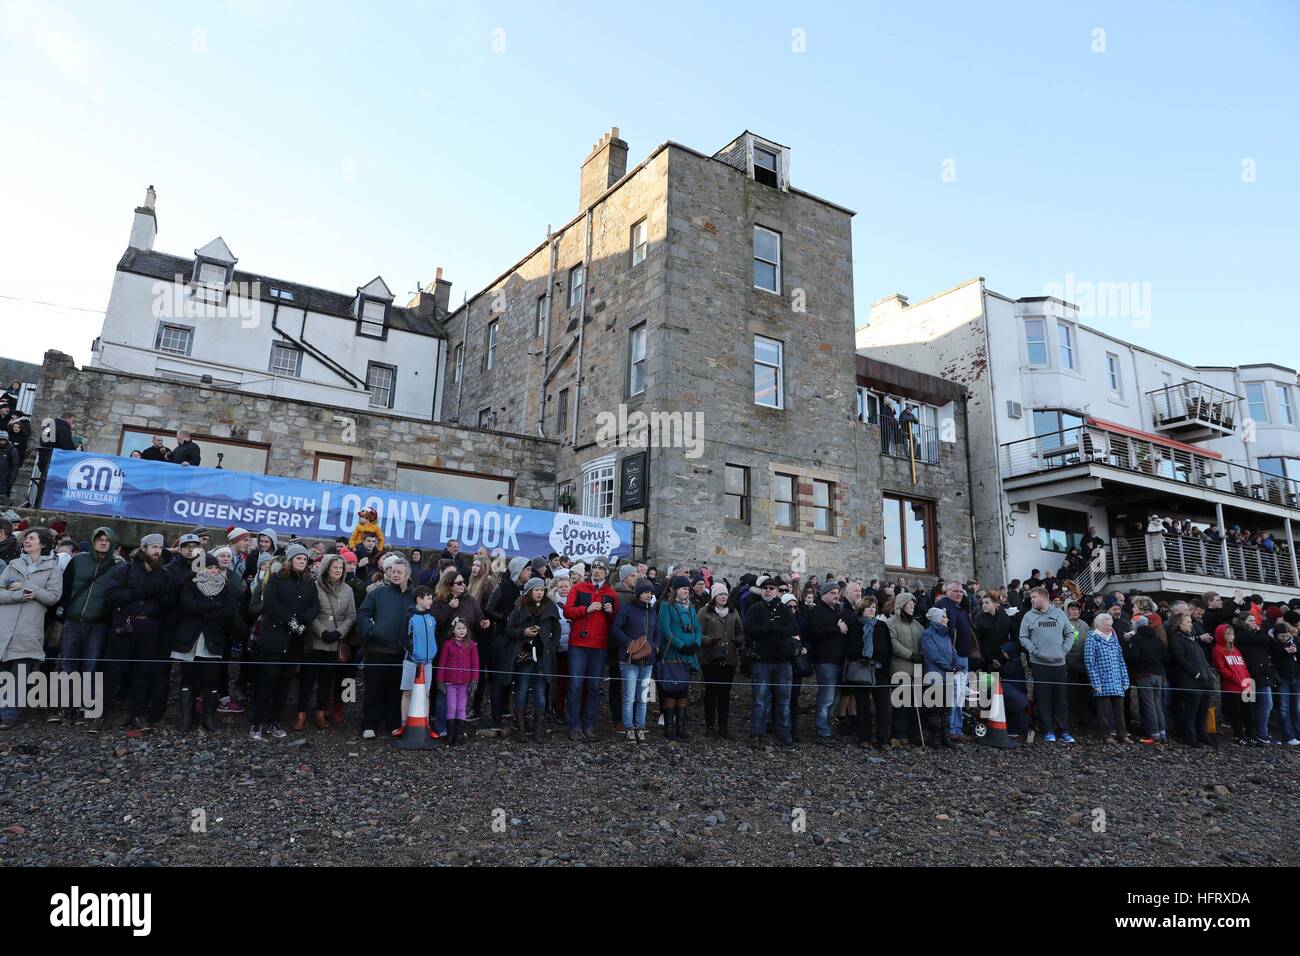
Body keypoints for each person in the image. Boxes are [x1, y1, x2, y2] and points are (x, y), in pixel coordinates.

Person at [250, 544, 318, 741]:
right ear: (290, 560)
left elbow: (315, 607)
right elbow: (270, 604)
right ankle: (256, 723)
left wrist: (302, 621)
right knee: (267, 680)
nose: (302, 562)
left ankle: (274, 721)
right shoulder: (277, 579)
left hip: (295, 641)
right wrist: (290, 622)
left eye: (304, 559)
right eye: (298, 558)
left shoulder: (309, 583)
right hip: (274, 638)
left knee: (285, 683)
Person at [52, 526, 120, 723]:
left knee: (92, 665)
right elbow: (64, 589)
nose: (103, 542)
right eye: (99, 538)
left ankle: (86, 706)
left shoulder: (119, 566)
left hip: (99, 623)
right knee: (67, 664)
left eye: (107, 539)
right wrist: (61, 615)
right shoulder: (78, 560)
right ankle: (65, 706)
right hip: (73, 620)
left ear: (112, 542)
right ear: (92, 540)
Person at [0, 528, 62, 729]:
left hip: (29, 627)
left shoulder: (53, 569)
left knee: (19, 672)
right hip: (4, 625)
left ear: (42, 544)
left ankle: (10, 715)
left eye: (32, 538)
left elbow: (53, 597)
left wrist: (28, 587)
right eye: (26, 538)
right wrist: (18, 596)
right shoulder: (13, 564)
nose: (27, 541)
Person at [172, 553, 238, 733]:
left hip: (213, 639)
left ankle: (208, 717)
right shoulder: (189, 585)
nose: (214, 571)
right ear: (199, 568)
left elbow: (228, 610)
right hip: (190, 639)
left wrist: (203, 611)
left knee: (210, 679)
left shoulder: (226, 587)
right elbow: (188, 607)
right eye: (209, 567)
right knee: (188, 679)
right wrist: (213, 606)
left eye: (216, 567)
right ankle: (186, 716)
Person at [355, 556, 415, 739]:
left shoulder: (414, 596)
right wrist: (370, 631)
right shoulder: (378, 593)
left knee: (396, 690)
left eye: (399, 572)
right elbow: (363, 613)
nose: (394, 575)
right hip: (377, 650)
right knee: (373, 689)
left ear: (407, 575)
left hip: (401, 653)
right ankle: (369, 724)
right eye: (392, 571)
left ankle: (393, 723)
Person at [563, 557, 617, 741]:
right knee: (576, 685)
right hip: (578, 644)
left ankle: (589, 725)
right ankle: (573, 725)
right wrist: (586, 609)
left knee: (594, 687)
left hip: (599, 647)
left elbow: (615, 622)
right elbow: (567, 611)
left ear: (606, 571)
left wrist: (611, 613)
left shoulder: (611, 593)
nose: (596, 571)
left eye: (600, 568)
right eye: (594, 567)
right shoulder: (578, 588)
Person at [301, 553, 355, 731]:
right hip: (316, 639)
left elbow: (351, 615)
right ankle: (301, 713)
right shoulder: (314, 587)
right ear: (326, 568)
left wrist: (340, 632)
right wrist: (321, 631)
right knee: (308, 678)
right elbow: (309, 612)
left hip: (335, 641)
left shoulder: (347, 590)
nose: (338, 570)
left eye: (341, 567)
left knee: (327, 679)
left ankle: (320, 712)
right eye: (335, 567)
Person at [504, 576, 560, 743]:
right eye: (537, 590)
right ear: (530, 591)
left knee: (540, 691)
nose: (540, 593)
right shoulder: (519, 607)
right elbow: (509, 630)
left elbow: (557, 630)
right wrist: (524, 633)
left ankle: (539, 729)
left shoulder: (550, 607)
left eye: (542, 590)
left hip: (543, 655)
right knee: (521, 690)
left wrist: (552, 645)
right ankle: (520, 728)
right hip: (525, 655)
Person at [1018, 587, 1075, 743]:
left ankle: (1064, 730)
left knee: (1061, 698)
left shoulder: (1059, 614)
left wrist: (1064, 651)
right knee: (1043, 698)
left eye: (1034, 597)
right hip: (1039, 663)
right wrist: (1034, 650)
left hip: (1059, 663)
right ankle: (1047, 729)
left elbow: (1069, 634)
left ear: (1044, 597)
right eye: (1031, 598)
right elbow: (1023, 637)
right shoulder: (1029, 616)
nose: (1032, 600)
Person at [744, 577, 796, 746]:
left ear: (776, 590)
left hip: (782, 661)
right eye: (765, 588)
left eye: (771, 588)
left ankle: (783, 733)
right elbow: (749, 629)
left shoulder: (784, 609)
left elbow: (792, 629)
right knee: (760, 699)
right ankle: (756, 733)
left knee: (783, 699)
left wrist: (773, 629)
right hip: (762, 660)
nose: (768, 590)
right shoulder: (754, 609)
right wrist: (770, 628)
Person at [612, 579, 658, 743]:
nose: (649, 595)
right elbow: (616, 629)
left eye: (651, 592)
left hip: (648, 660)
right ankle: (629, 728)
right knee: (629, 696)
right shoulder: (626, 609)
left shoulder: (652, 611)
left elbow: (657, 631)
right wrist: (629, 643)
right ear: (638, 593)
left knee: (643, 697)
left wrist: (655, 647)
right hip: (629, 659)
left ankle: (640, 727)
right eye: (646, 592)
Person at [801, 579, 846, 746]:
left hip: (837, 659)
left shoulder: (836, 611)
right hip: (824, 660)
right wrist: (837, 629)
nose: (836, 596)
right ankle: (822, 731)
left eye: (837, 593)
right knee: (826, 698)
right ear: (824, 594)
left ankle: (826, 727)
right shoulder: (816, 611)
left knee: (834, 699)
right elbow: (815, 632)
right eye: (833, 593)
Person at [657, 575, 702, 740]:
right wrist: (681, 646)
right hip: (673, 654)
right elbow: (665, 630)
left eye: (687, 589)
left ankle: (680, 727)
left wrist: (696, 644)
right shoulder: (666, 607)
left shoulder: (691, 608)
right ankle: (669, 727)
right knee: (671, 689)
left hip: (689, 655)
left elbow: (697, 628)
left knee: (684, 690)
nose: (686, 591)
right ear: (675, 590)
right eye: (684, 588)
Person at [698, 581, 743, 739]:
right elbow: (698, 633)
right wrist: (709, 641)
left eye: (725, 594)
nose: (723, 596)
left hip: (729, 658)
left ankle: (723, 726)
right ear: (714, 596)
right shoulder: (705, 612)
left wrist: (738, 641)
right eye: (720, 594)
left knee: (725, 693)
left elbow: (740, 632)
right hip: (710, 659)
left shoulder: (733, 612)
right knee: (711, 693)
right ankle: (710, 726)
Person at [396, 585, 438, 739]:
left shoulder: (431, 617)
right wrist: (414, 652)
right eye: (428, 598)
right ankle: (404, 724)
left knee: (426, 693)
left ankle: (425, 725)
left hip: (427, 662)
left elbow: (433, 636)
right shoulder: (409, 616)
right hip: (411, 661)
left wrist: (432, 653)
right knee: (407, 692)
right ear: (419, 599)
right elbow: (403, 638)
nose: (431, 601)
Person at [1169, 611, 1215, 747]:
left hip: (1204, 681)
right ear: (1179, 624)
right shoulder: (1176, 639)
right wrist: (1195, 673)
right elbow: (1180, 659)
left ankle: (1203, 734)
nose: (1191, 624)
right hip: (1191, 681)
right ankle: (1190, 736)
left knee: (1202, 711)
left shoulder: (1193, 639)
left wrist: (1208, 673)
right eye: (1188, 622)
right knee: (1191, 712)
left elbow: (1201, 658)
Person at [1084, 613, 1130, 744]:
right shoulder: (1092, 639)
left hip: (1117, 680)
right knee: (1104, 712)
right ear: (1098, 625)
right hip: (1102, 681)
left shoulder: (1114, 639)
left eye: (1110, 625)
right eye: (1107, 624)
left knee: (1120, 711)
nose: (1110, 627)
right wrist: (1095, 682)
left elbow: (1121, 660)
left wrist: (1125, 679)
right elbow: (1089, 662)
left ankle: (1122, 734)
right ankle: (1105, 734)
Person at [887, 592, 925, 746]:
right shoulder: (891, 622)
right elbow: (893, 643)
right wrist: (910, 655)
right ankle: (900, 734)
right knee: (901, 704)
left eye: (914, 603)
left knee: (916, 703)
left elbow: (925, 639)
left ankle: (915, 734)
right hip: (899, 668)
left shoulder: (917, 624)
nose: (913, 605)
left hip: (916, 669)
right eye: (910, 602)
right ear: (901, 604)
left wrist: (922, 654)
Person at [435, 616, 480, 746]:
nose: (461, 631)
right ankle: (450, 734)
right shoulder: (448, 644)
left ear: (467, 630)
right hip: (450, 682)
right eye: (458, 628)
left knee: (461, 708)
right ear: (453, 630)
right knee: (451, 707)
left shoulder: (471, 645)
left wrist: (474, 681)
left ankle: (459, 735)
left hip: (465, 683)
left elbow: (475, 664)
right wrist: (440, 681)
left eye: (464, 628)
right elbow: (442, 663)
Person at [1235, 615, 1280, 745]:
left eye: (1254, 621)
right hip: (1251, 674)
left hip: (1260, 674)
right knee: (1261, 705)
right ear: (1242, 622)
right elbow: (1264, 639)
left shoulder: (1252, 635)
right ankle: (1259, 734)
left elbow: (1268, 643)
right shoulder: (1242, 634)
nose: (1254, 623)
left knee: (1262, 705)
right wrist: (1260, 631)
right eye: (1250, 621)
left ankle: (1260, 733)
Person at [920, 606, 957, 749]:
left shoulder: (946, 635)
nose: (947, 619)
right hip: (934, 676)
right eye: (944, 617)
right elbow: (933, 655)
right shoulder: (927, 635)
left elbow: (953, 651)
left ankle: (945, 736)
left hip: (947, 676)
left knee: (946, 708)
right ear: (937, 619)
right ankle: (935, 738)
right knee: (935, 708)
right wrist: (950, 667)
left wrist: (956, 663)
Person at [1211, 622, 1254, 745]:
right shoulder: (1218, 649)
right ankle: (1239, 735)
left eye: (1232, 633)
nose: (1231, 636)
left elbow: (1244, 666)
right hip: (1232, 687)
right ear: (1221, 635)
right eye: (1228, 634)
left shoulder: (1235, 649)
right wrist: (1237, 680)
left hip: (1245, 685)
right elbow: (1222, 669)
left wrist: (1247, 681)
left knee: (1249, 711)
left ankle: (1251, 736)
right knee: (1236, 712)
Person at [1129, 620, 1171, 744]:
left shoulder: (1136, 639)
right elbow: (1166, 657)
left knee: (1149, 704)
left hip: (1144, 674)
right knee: (1158, 703)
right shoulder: (1157, 639)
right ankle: (1162, 732)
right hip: (1158, 674)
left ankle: (1154, 734)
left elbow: (1133, 656)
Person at [0, 430, 19, 503]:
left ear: (7, 440)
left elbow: (15, 465)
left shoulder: (12, 449)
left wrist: (12, 479)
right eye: (0, 440)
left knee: (3, 498)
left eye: (3, 440)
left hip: (5, 478)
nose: (1, 442)